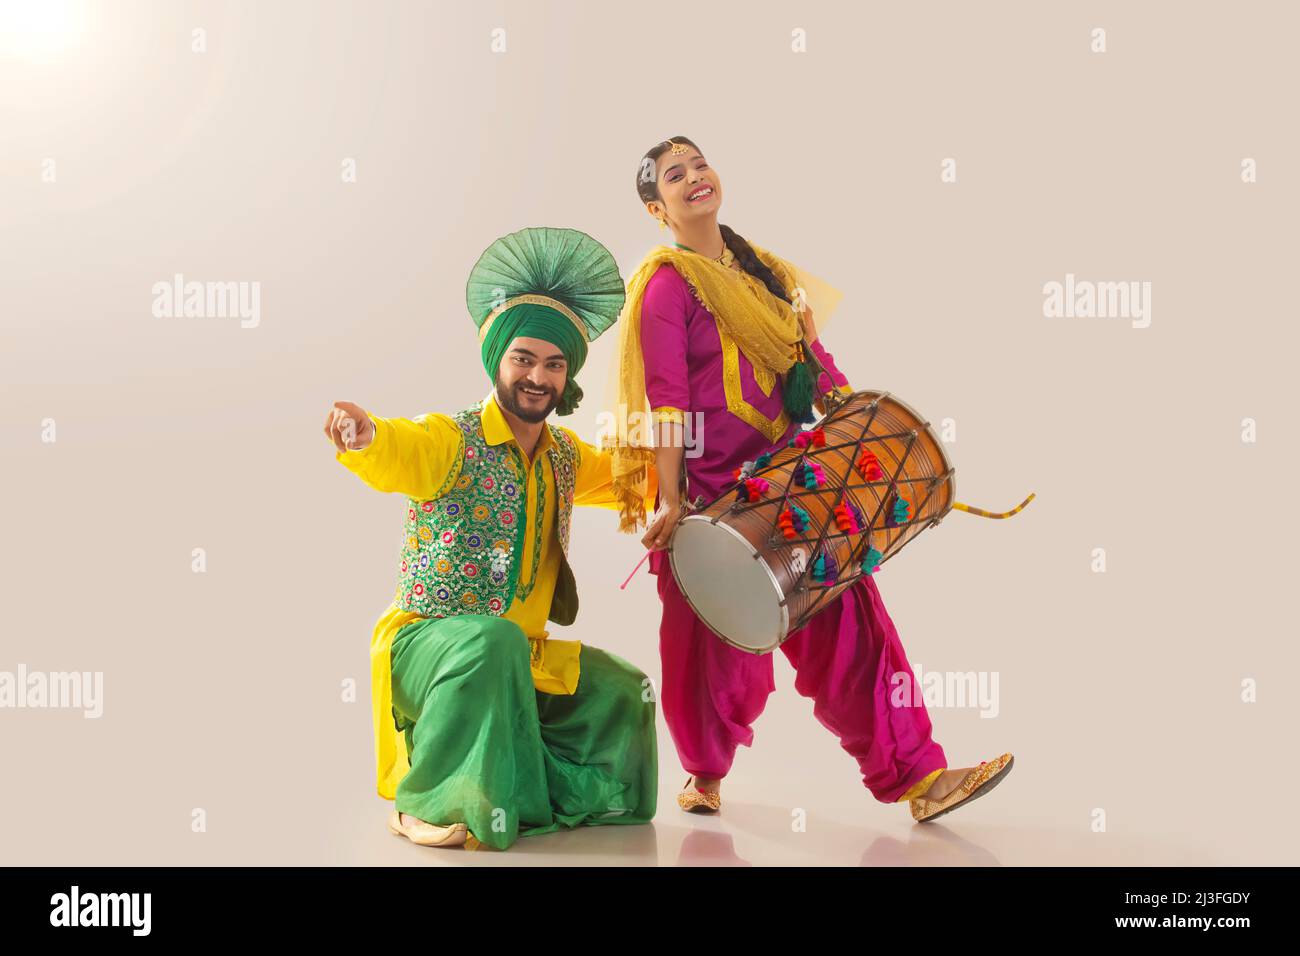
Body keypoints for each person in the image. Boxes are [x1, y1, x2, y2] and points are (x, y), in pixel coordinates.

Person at [605, 137, 1013, 823]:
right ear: (656, 208)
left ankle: (921, 778)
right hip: (710, 501)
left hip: (795, 488)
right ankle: (704, 772)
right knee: (705, 660)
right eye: (676, 175)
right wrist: (674, 501)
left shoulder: (761, 267)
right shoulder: (665, 286)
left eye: (700, 164)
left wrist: (857, 423)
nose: (695, 177)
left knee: (856, 627)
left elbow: (812, 361)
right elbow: (666, 400)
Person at [327, 227, 658, 849]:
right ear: (498, 362)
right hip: (429, 649)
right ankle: (427, 800)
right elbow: (403, 447)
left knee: (622, 688)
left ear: (567, 377)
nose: (538, 376)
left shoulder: (563, 454)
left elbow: (628, 478)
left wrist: (690, 454)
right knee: (493, 640)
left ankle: (539, 796)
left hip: (516, 654)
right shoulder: (451, 439)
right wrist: (369, 436)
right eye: (524, 359)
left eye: (554, 364)